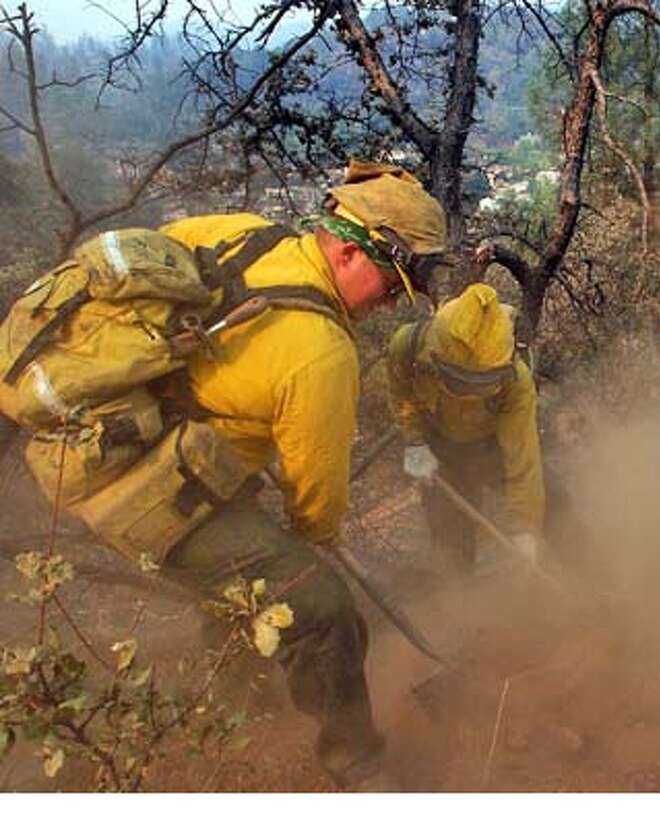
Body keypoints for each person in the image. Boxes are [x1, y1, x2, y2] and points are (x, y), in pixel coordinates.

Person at [157, 159, 448, 787]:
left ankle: (230, 701)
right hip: (142, 479)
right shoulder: (321, 351)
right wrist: (311, 542)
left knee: (246, 560)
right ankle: (358, 764)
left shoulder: (245, 233)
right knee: (321, 604)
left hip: (139, 441)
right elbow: (315, 511)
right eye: (393, 285)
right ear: (348, 251)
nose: (394, 303)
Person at [386, 282, 544, 580]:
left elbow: (523, 462)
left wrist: (525, 529)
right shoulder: (407, 347)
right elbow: (401, 395)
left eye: (481, 384)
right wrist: (414, 441)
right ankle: (459, 610)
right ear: (437, 358)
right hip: (440, 448)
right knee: (451, 537)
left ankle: (589, 580)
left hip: (491, 445)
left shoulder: (517, 383)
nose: (470, 393)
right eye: (461, 382)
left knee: (557, 509)